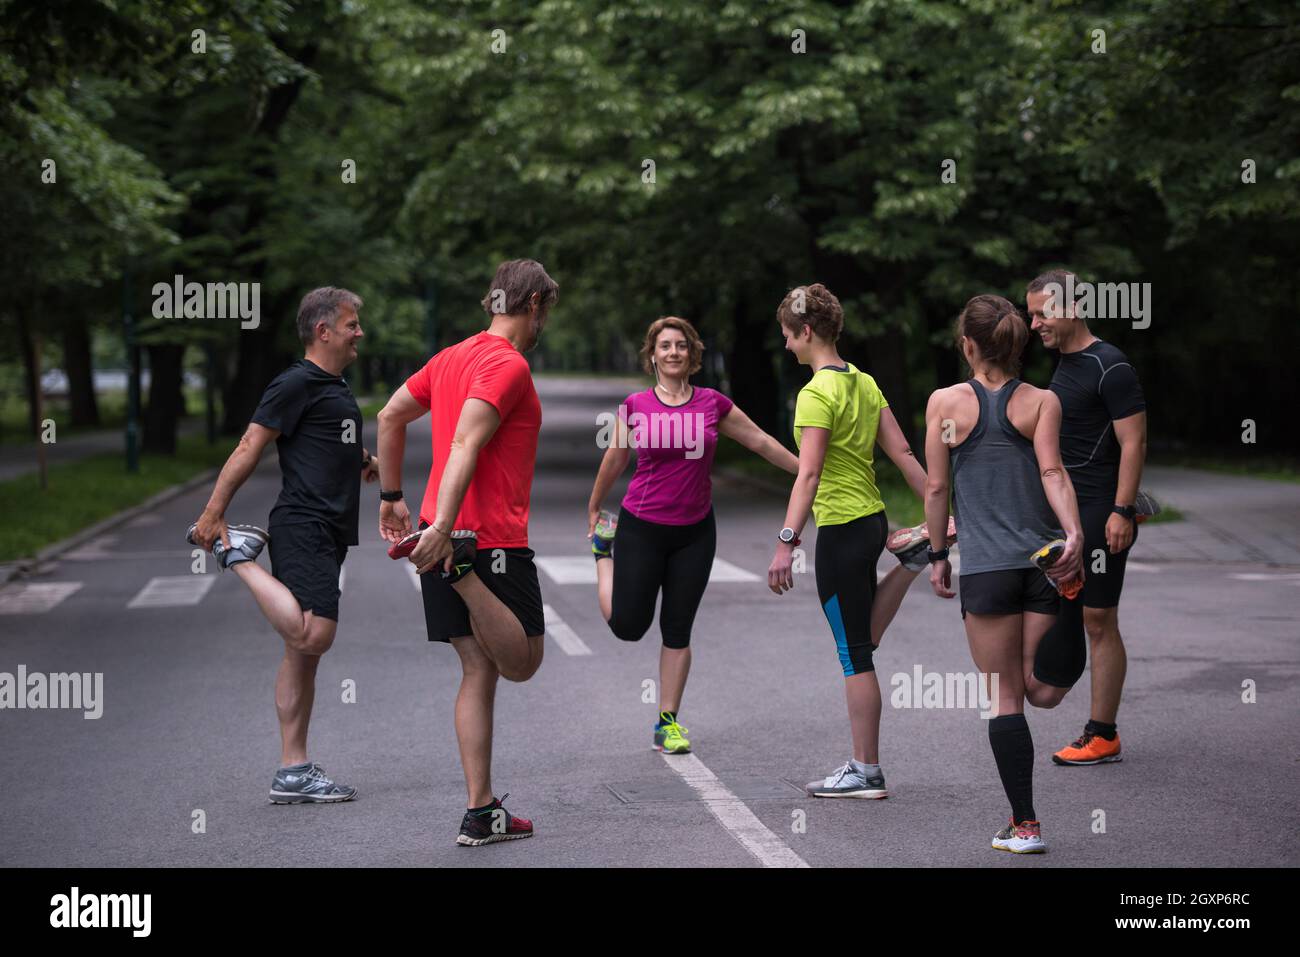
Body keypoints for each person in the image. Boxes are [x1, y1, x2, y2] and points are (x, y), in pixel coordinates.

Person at [376, 258, 555, 846]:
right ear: (533, 305)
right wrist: (448, 531)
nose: (542, 323)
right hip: (485, 540)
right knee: (523, 662)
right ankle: (464, 574)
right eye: (544, 312)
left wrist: (393, 497)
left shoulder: (450, 357)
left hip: (435, 532)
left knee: (476, 669)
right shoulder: (507, 363)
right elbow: (464, 443)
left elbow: (389, 415)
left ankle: (481, 812)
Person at [187, 287, 378, 804]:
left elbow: (325, 436)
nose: (359, 331)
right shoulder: (294, 382)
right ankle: (238, 558)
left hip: (330, 528)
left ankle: (292, 771)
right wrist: (214, 513)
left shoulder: (329, 385)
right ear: (323, 331)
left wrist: (361, 460)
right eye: (351, 323)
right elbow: (251, 444)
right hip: (304, 524)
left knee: (300, 654)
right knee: (314, 636)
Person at [586, 316, 799, 754]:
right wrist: (594, 506)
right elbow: (615, 457)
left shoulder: (712, 404)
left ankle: (668, 722)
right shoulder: (635, 406)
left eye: (681, 345)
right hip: (641, 529)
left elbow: (759, 442)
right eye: (664, 346)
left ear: (692, 353)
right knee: (628, 626)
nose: (673, 352)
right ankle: (601, 557)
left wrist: (809, 472)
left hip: (696, 532)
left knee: (677, 628)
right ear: (652, 355)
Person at [923, 294, 1084, 853]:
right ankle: (1075, 620)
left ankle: (1026, 826)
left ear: (968, 344)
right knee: (1041, 691)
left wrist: (938, 554)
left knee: (1006, 697)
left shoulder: (945, 403)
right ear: (1017, 345)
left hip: (987, 570)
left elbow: (937, 487)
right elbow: (1053, 470)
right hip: (1042, 564)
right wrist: (1075, 534)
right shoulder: (1042, 401)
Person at [766, 284, 936, 800]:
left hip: (840, 531)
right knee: (862, 639)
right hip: (873, 522)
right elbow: (904, 452)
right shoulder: (863, 382)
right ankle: (908, 562)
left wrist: (786, 542)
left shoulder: (816, 393)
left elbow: (809, 474)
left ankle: (867, 771)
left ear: (807, 331)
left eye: (788, 336)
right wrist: (937, 510)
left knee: (854, 655)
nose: (787, 346)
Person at [1026, 270, 1148, 765]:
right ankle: (1049, 687)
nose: (1034, 323)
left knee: (1100, 618)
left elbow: (1134, 442)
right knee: (1071, 611)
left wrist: (1123, 510)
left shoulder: (1110, 365)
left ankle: (1103, 734)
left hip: (1101, 508)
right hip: (1069, 509)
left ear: (1073, 306)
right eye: (1030, 314)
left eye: (1042, 312)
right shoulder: (1064, 365)